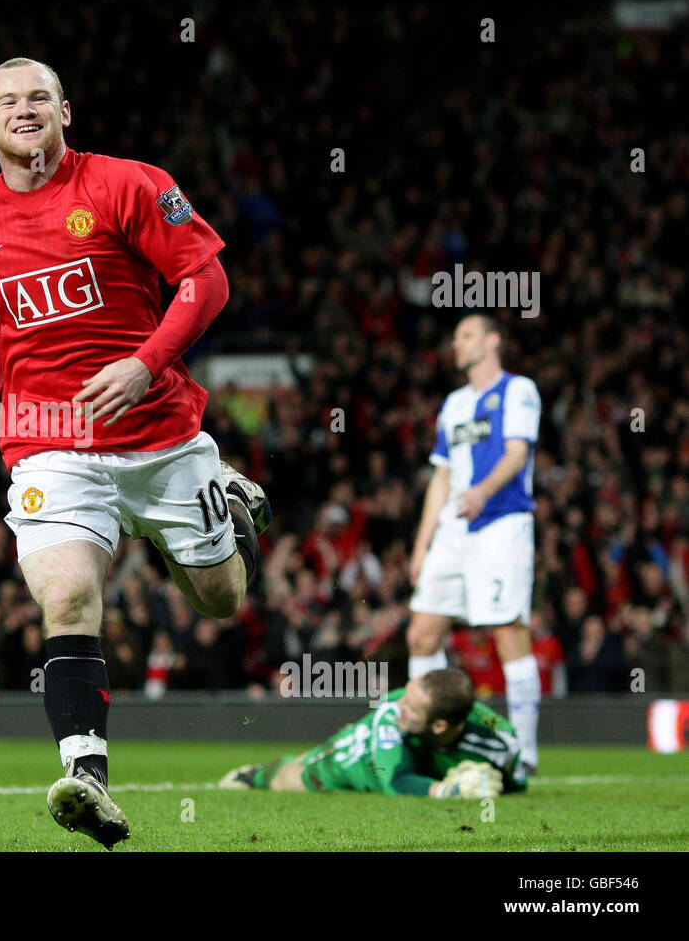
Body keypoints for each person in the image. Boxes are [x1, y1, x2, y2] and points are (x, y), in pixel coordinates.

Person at [0, 57, 271, 848]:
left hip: (160, 435)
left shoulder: (126, 185)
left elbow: (206, 279)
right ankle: (86, 776)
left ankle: (228, 503)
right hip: (49, 442)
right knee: (65, 600)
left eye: (39, 98)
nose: (25, 110)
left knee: (220, 603)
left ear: (65, 111)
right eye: (7, 102)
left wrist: (144, 362)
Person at [406, 313, 543, 771]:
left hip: (500, 525)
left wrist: (483, 492)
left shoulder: (517, 390)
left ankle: (524, 754)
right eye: (454, 337)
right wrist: (423, 544)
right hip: (453, 530)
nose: (456, 345)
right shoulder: (454, 404)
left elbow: (517, 453)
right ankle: (425, 741)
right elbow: (442, 477)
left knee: (508, 634)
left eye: (465, 336)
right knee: (421, 634)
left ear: (492, 342)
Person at [220, 668, 527, 798]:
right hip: (356, 757)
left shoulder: (499, 741)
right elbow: (395, 780)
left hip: (413, 756)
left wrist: (490, 783)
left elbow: (517, 779)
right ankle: (250, 775)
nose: (398, 705)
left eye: (412, 706)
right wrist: (450, 791)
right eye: (405, 694)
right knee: (287, 779)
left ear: (440, 726)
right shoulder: (390, 715)